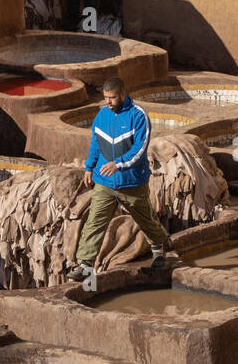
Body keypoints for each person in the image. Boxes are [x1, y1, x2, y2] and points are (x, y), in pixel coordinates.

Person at [66, 76, 172, 283]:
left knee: (145, 219)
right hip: (104, 181)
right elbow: (95, 144)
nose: (108, 102)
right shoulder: (102, 115)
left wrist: (118, 163)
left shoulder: (138, 116)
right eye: (105, 97)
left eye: (112, 98)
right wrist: (89, 168)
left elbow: (139, 150)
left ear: (123, 94)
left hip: (131, 181)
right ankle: (85, 266)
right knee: (95, 221)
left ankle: (159, 249)